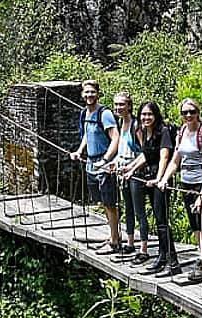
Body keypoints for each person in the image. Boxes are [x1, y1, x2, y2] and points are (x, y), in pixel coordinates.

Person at [160, 98, 202, 281]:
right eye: (184, 112)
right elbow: (176, 160)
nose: (188, 115)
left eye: (191, 112)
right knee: (194, 222)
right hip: (186, 182)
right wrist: (164, 179)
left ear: (198, 112)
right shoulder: (182, 132)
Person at [121, 100, 179, 275]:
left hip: (161, 182)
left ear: (156, 115)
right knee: (158, 220)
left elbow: (164, 157)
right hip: (151, 180)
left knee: (163, 222)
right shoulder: (146, 131)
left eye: (149, 114)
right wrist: (131, 169)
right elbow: (146, 155)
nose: (146, 117)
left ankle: (173, 262)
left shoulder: (164, 131)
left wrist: (159, 179)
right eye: (143, 114)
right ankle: (162, 258)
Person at [68, 79, 124, 254]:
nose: (89, 95)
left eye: (92, 92)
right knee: (102, 202)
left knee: (110, 203)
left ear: (98, 93)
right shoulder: (85, 113)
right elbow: (87, 135)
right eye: (86, 92)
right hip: (91, 164)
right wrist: (79, 151)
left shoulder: (104, 113)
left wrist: (106, 159)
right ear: (82, 95)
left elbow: (116, 137)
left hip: (104, 165)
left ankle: (114, 241)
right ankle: (114, 234)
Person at [111, 91, 149, 263]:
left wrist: (132, 168)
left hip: (136, 172)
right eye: (116, 104)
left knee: (139, 210)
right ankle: (130, 242)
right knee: (128, 208)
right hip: (123, 171)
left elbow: (144, 151)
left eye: (122, 104)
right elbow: (121, 149)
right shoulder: (121, 123)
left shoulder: (136, 126)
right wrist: (115, 162)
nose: (118, 107)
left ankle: (144, 249)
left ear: (129, 106)